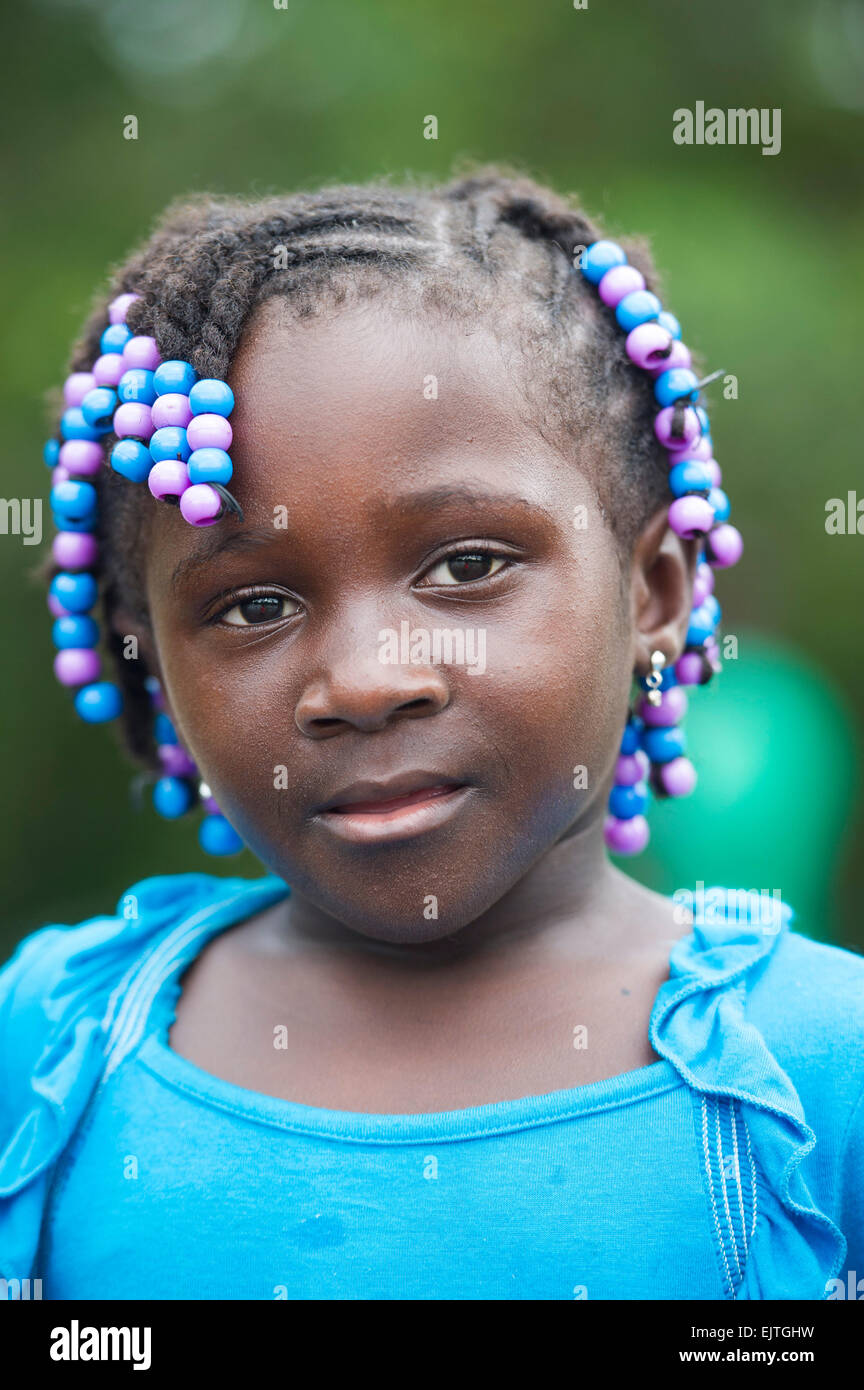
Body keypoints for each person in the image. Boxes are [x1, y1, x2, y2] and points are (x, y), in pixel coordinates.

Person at [1, 170, 861, 1301]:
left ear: (653, 589)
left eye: (467, 566)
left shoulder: (823, 1075)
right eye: (252, 606)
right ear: (151, 659)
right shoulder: (50, 1049)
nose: (364, 681)